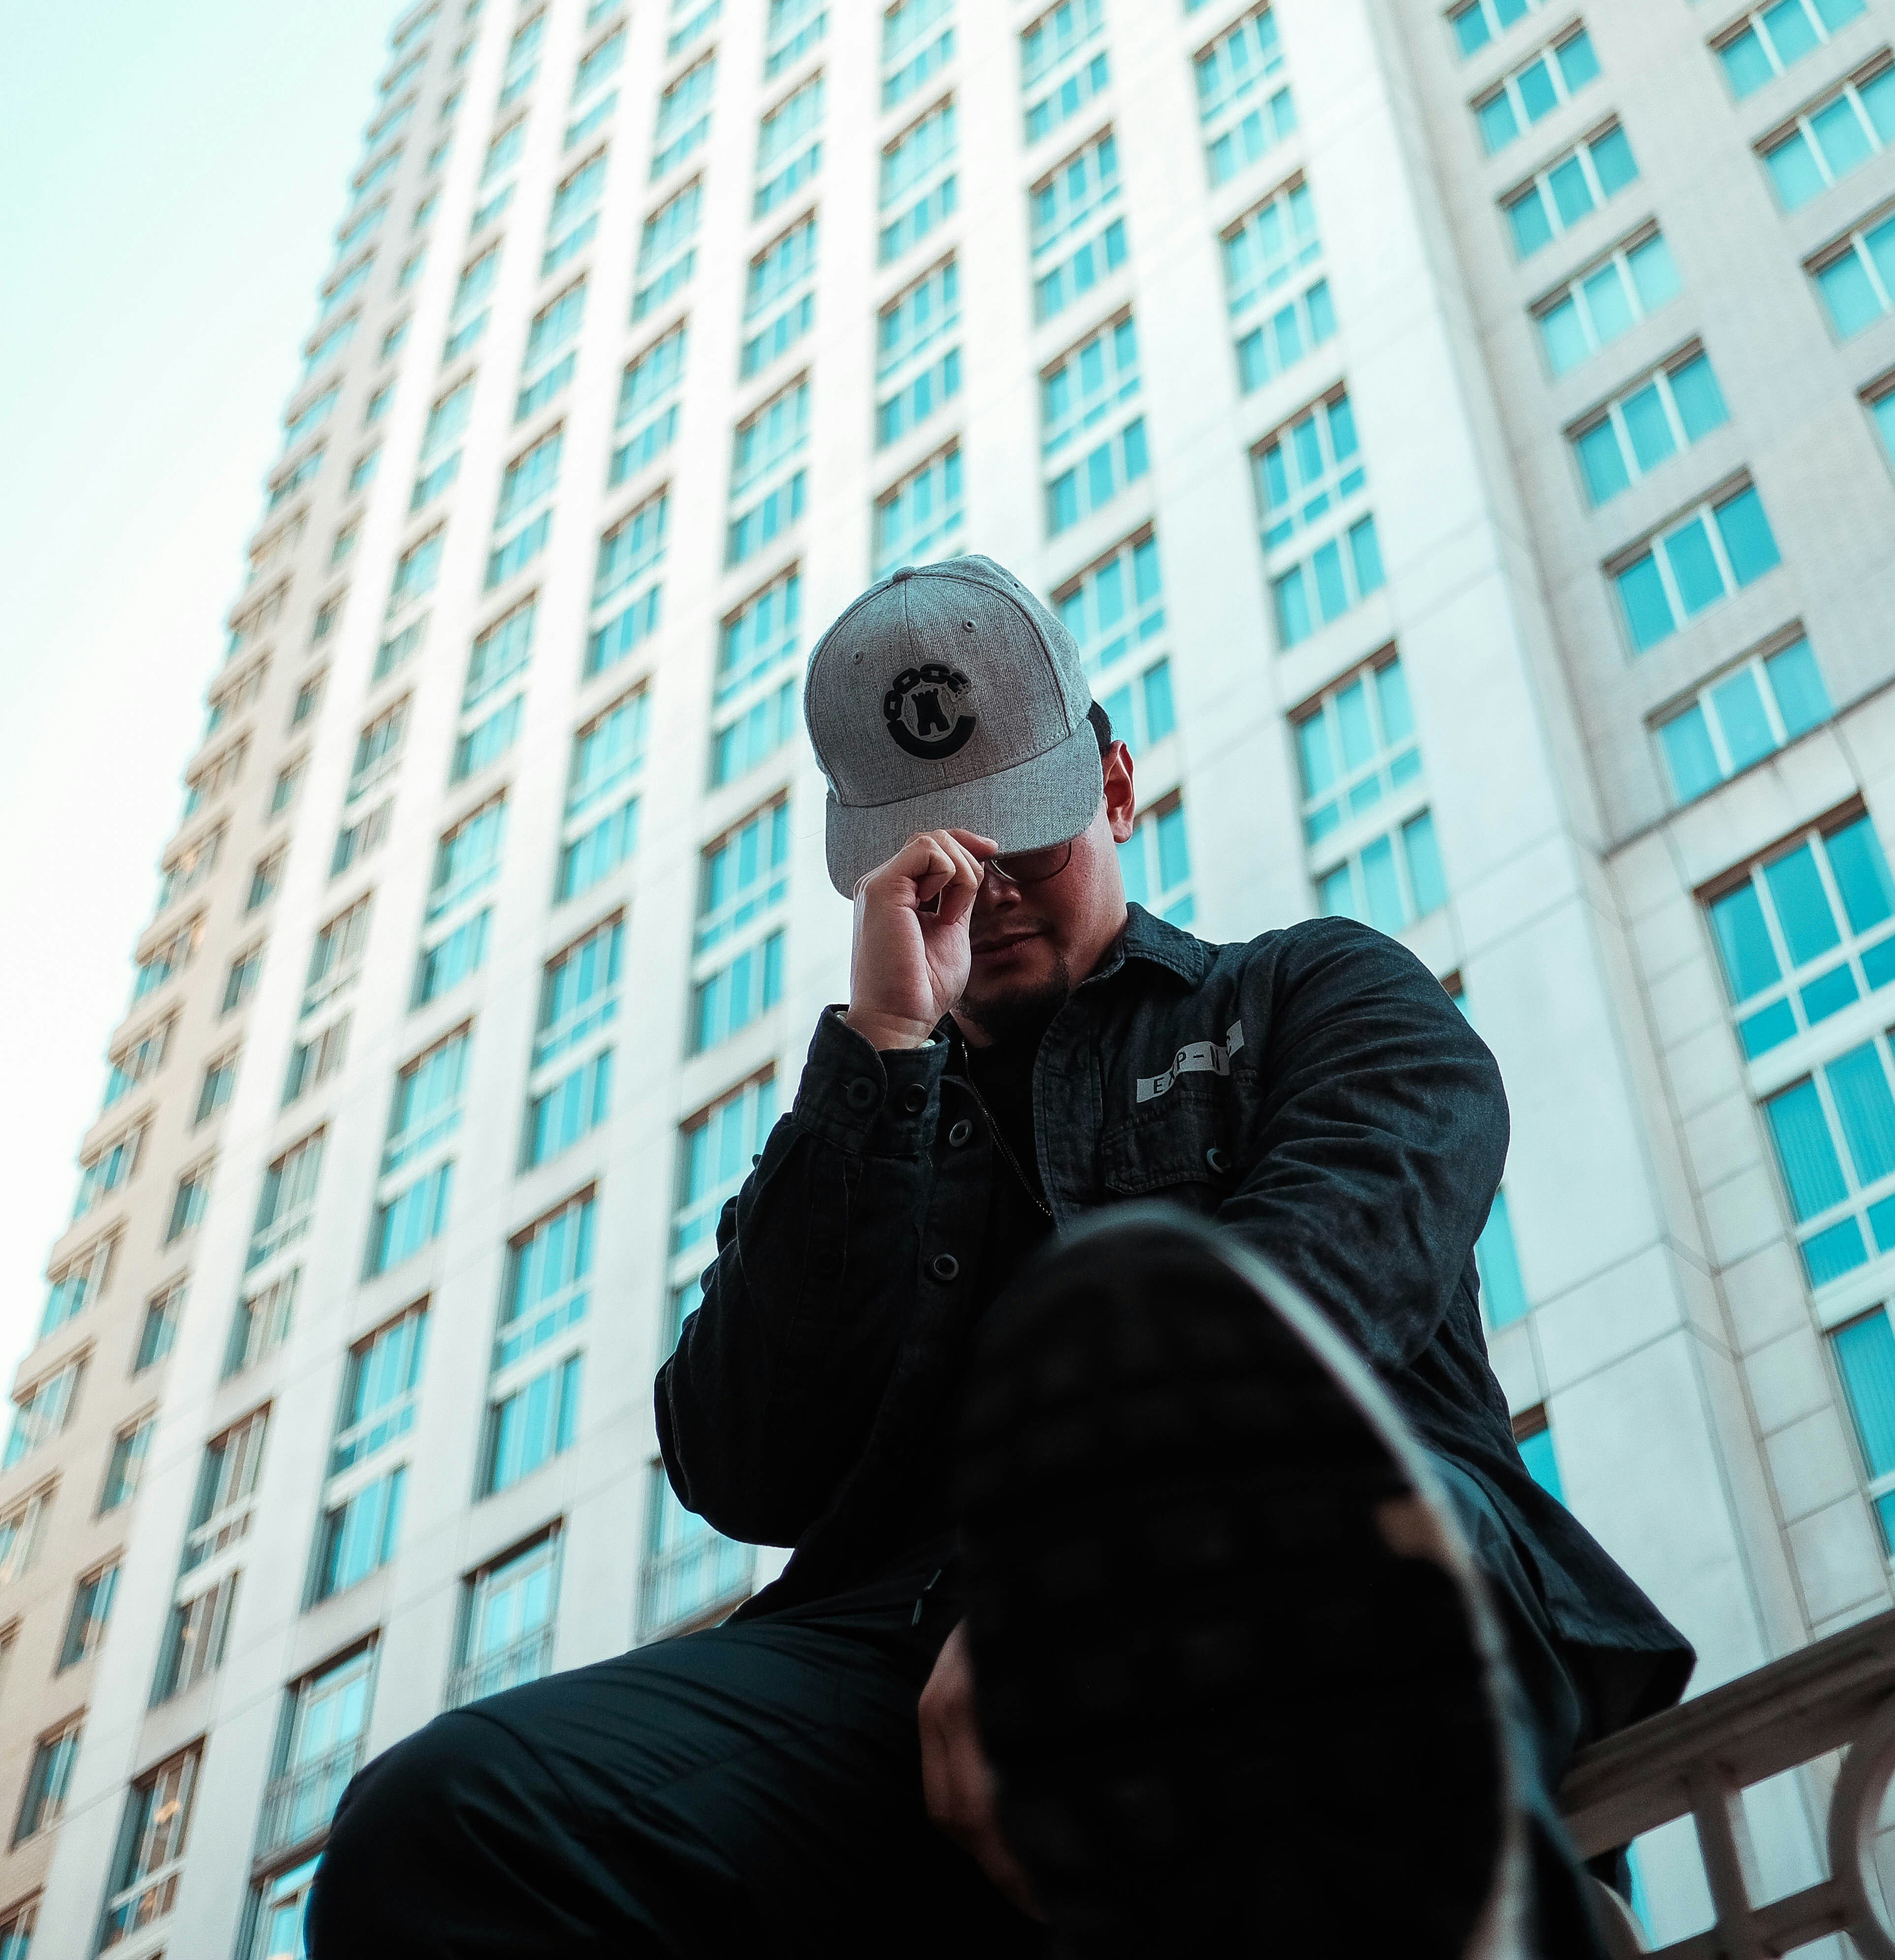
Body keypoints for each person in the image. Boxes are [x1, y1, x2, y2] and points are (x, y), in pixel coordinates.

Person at [312, 554, 1690, 1956]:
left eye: (1026, 833)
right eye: (941, 859)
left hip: (1294, 1559)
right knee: (444, 1822)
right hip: (913, 1680)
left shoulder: (1313, 995)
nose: (994, 891)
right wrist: (884, 1052)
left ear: (1114, 784)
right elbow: (742, 1466)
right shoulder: (858, 1118)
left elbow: (1330, 1285)